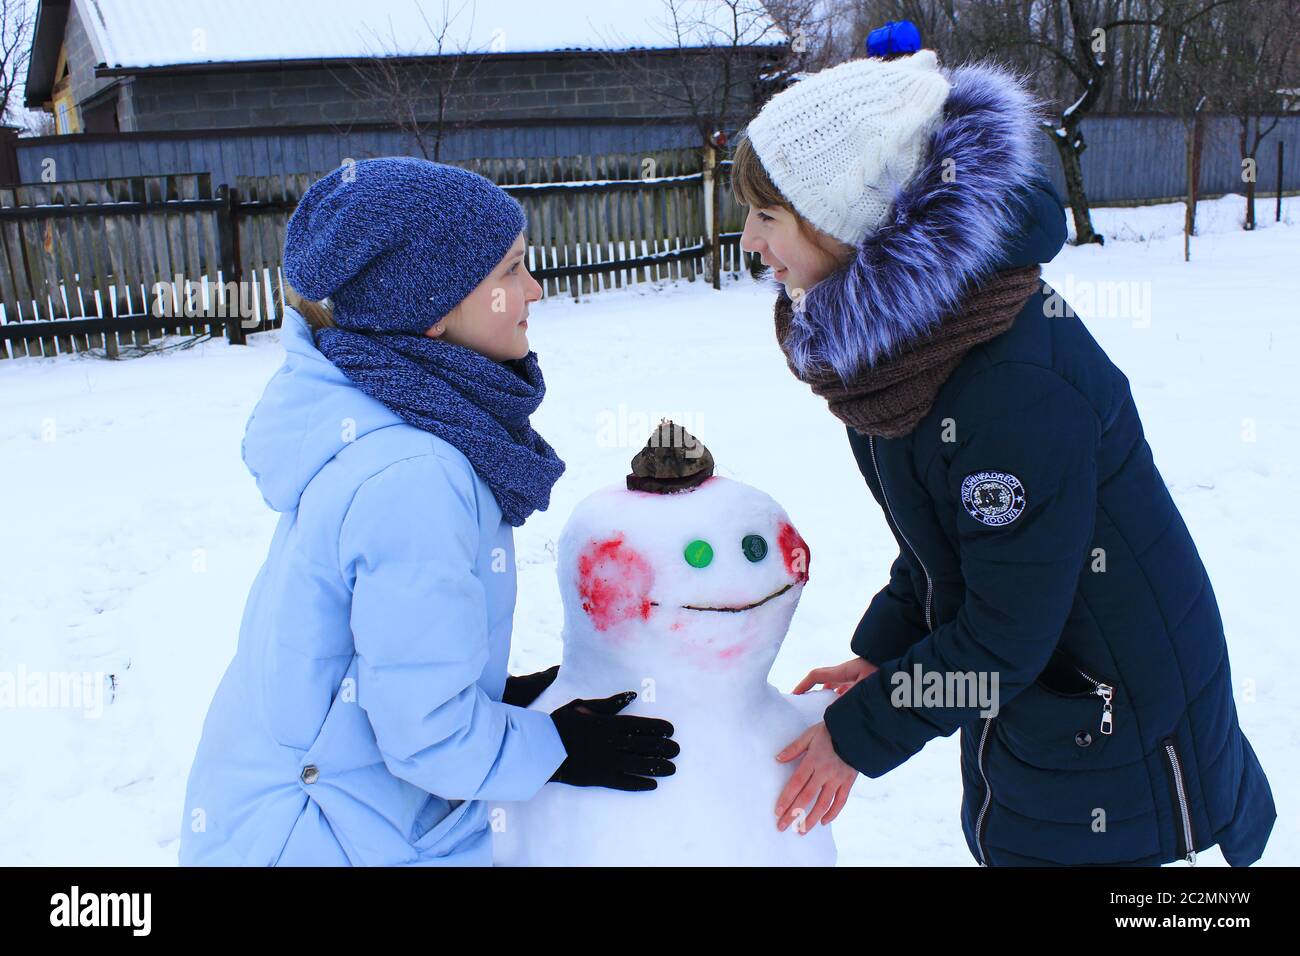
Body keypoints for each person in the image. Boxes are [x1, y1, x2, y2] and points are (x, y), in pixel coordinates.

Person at [733, 50, 1275, 866]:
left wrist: (862, 732)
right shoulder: (908, 348)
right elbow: (945, 547)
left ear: (848, 215)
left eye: (769, 214)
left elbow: (1004, 635)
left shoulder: (1007, 384)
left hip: (1123, 730)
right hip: (1055, 712)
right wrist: (884, 649)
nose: (749, 241)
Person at [179, 157, 677, 866]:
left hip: (306, 814)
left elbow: (344, 652)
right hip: (328, 839)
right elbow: (427, 741)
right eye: (510, 271)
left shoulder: (377, 422)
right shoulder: (414, 475)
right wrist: (556, 749)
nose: (535, 289)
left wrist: (485, 690)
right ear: (432, 310)